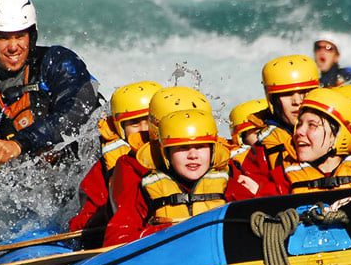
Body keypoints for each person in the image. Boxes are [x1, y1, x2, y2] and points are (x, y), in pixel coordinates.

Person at [0, 0, 102, 254]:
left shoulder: (58, 63)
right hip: (46, 202)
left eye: (20, 35)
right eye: (3, 37)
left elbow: (78, 110)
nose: (13, 46)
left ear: (31, 36)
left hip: (95, 178)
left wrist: (20, 144)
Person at [104, 109, 253, 246]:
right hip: (169, 259)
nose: (193, 155)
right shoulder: (147, 189)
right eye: (182, 148)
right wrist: (163, 232)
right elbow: (116, 239)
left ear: (212, 151)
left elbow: (257, 221)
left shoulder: (226, 184)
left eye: (201, 147)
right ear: (166, 153)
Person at [68, 80, 161, 236]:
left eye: (149, 120)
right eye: (134, 123)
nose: (144, 129)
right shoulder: (105, 167)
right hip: (128, 232)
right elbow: (87, 214)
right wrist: (102, 217)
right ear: (120, 128)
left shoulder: (183, 153)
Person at [239, 55, 322, 181]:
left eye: (304, 92)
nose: (297, 101)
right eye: (287, 94)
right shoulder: (260, 149)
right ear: (273, 101)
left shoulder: (338, 132)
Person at [228, 98, 268, 164]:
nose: (267, 136)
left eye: (273, 131)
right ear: (242, 138)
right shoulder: (239, 159)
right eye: (258, 133)